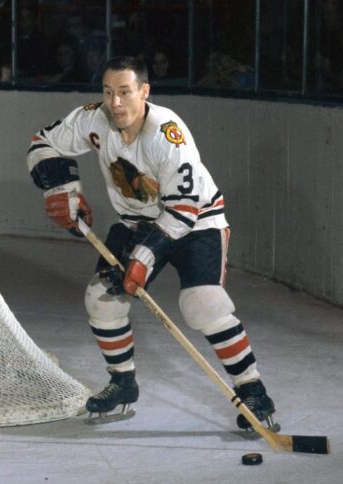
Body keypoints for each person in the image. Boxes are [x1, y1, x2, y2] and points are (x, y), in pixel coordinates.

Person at [25, 56, 278, 431]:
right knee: (101, 299)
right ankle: (123, 383)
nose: (115, 103)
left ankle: (253, 390)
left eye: (125, 92)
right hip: (136, 222)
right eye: (108, 92)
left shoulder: (168, 133)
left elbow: (183, 208)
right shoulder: (94, 119)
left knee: (203, 304)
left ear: (144, 92)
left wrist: (145, 256)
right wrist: (62, 188)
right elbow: (42, 143)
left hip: (197, 222)